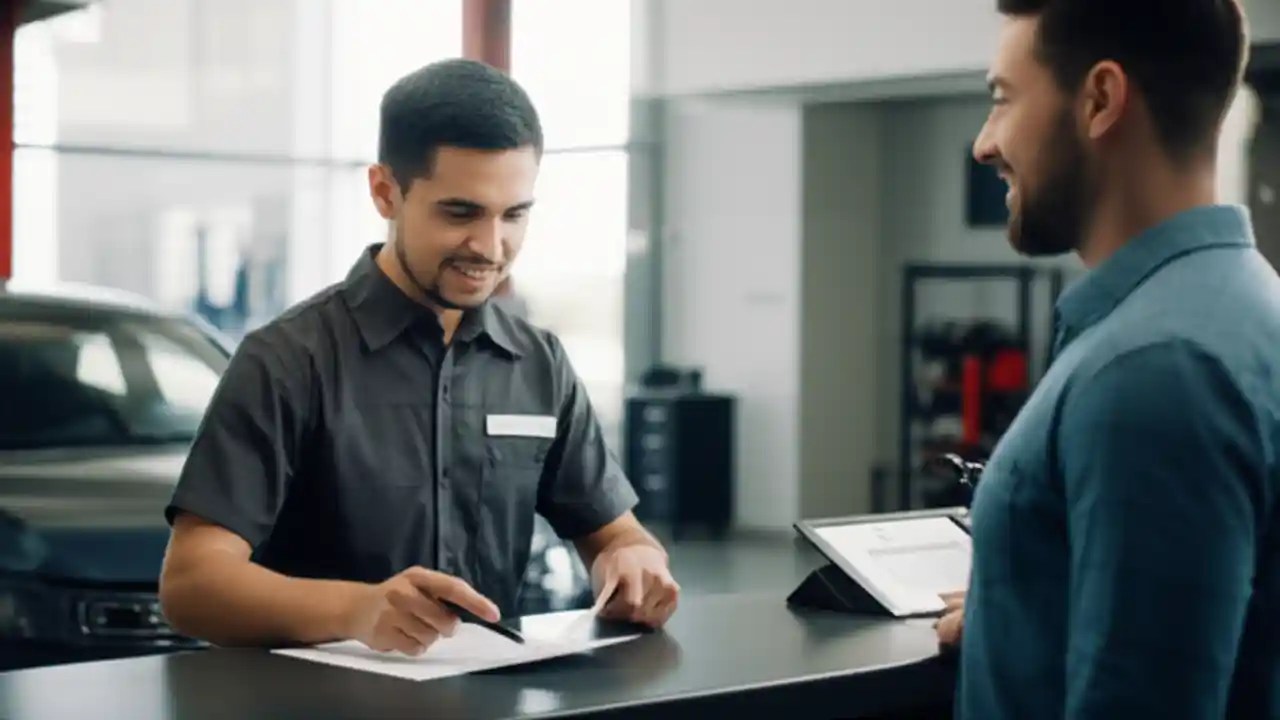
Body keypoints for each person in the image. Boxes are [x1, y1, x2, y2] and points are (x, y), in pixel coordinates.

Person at [158, 59, 679, 656]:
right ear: (385, 191)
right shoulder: (286, 360)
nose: (489, 247)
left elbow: (615, 532)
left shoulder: (539, 363)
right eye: (460, 213)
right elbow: (192, 584)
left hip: (486, 702)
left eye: (514, 215)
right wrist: (357, 609)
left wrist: (633, 559)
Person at [939, 0, 1280, 717]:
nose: (984, 144)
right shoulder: (1245, 306)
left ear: (1100, 99)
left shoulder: (1154, 369)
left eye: (1002, 100)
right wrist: (1030, 605)